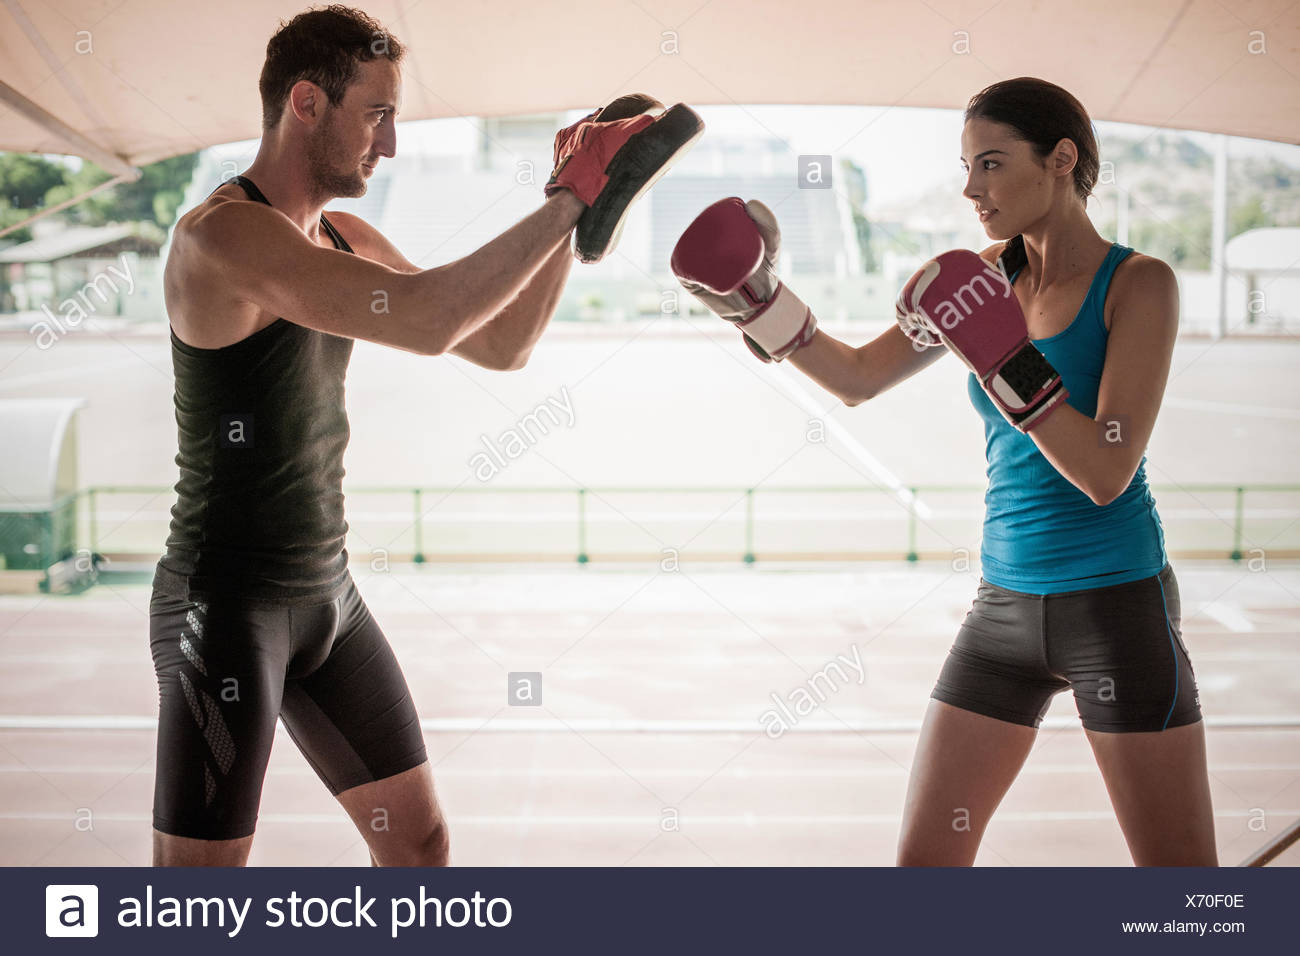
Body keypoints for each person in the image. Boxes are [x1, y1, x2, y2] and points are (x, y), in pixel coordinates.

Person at [149, 4, 697, 866]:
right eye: (377, 114)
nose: (392, 142)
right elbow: (429, 317)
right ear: (305, 103)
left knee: (420, 846)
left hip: (325, 592)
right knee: (198, 896)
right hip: (225, 605)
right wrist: (567, 198)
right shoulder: (221, 235)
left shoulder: (343, 236)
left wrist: (579, 222)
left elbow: (499, 342)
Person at [672, 77, 1217, 866]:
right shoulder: (980, 279)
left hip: (1114, 611)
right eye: (966, 168)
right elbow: (857, 377)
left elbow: (1106, 467)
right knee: (923, 873)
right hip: (1001, 613)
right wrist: (758, 304)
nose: (970, 189)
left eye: (990, 165)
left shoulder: (1139, 285)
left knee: (1189, 899)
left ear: (1061, 159)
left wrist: (1004, 359)